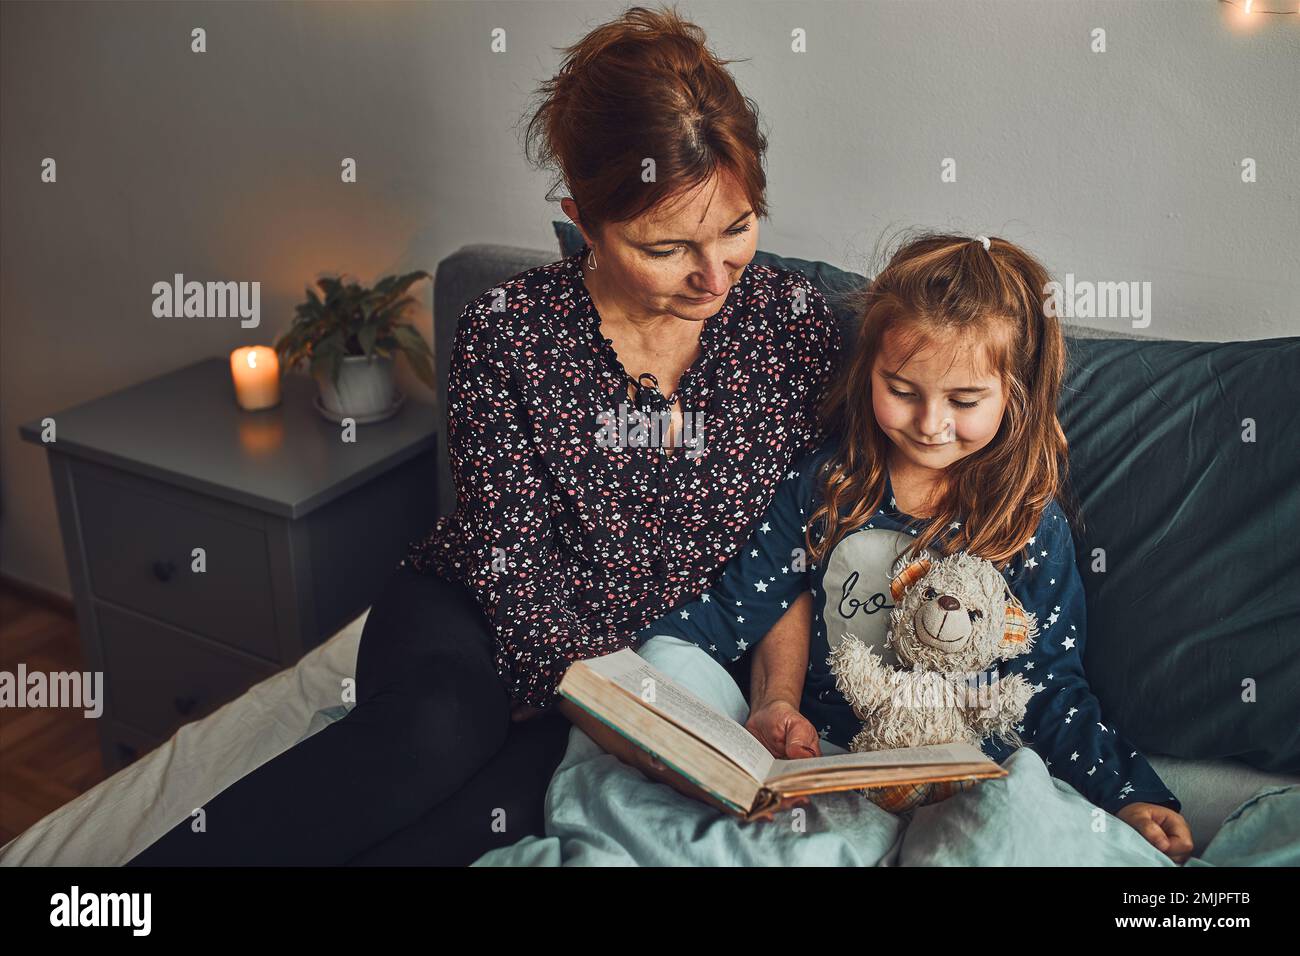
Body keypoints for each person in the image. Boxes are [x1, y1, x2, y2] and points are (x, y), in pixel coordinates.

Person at [126, 6, 842, 866]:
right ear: (584, 221)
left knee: (461, 835)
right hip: (476, 616)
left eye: (737, 229)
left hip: (639, 675)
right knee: (428, 739)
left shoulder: (793, 327)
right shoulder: (510, 329)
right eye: (667, 248)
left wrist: (768, 700)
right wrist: (608, 703)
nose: (714, 277)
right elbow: (508, 557)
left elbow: (788, 551)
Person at [482, 231, 1196, 867]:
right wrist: (608, 672)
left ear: (1016, 394)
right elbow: (741, 605)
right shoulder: (828, 482)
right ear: (869, 373)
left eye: (965, 399)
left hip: (960, 766)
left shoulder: (1027, 523)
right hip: (823, 757)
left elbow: (1049, 685)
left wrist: (1127, 791)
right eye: (903, 390)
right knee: (660, 681)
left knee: (1010, 817)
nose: (930, 423)